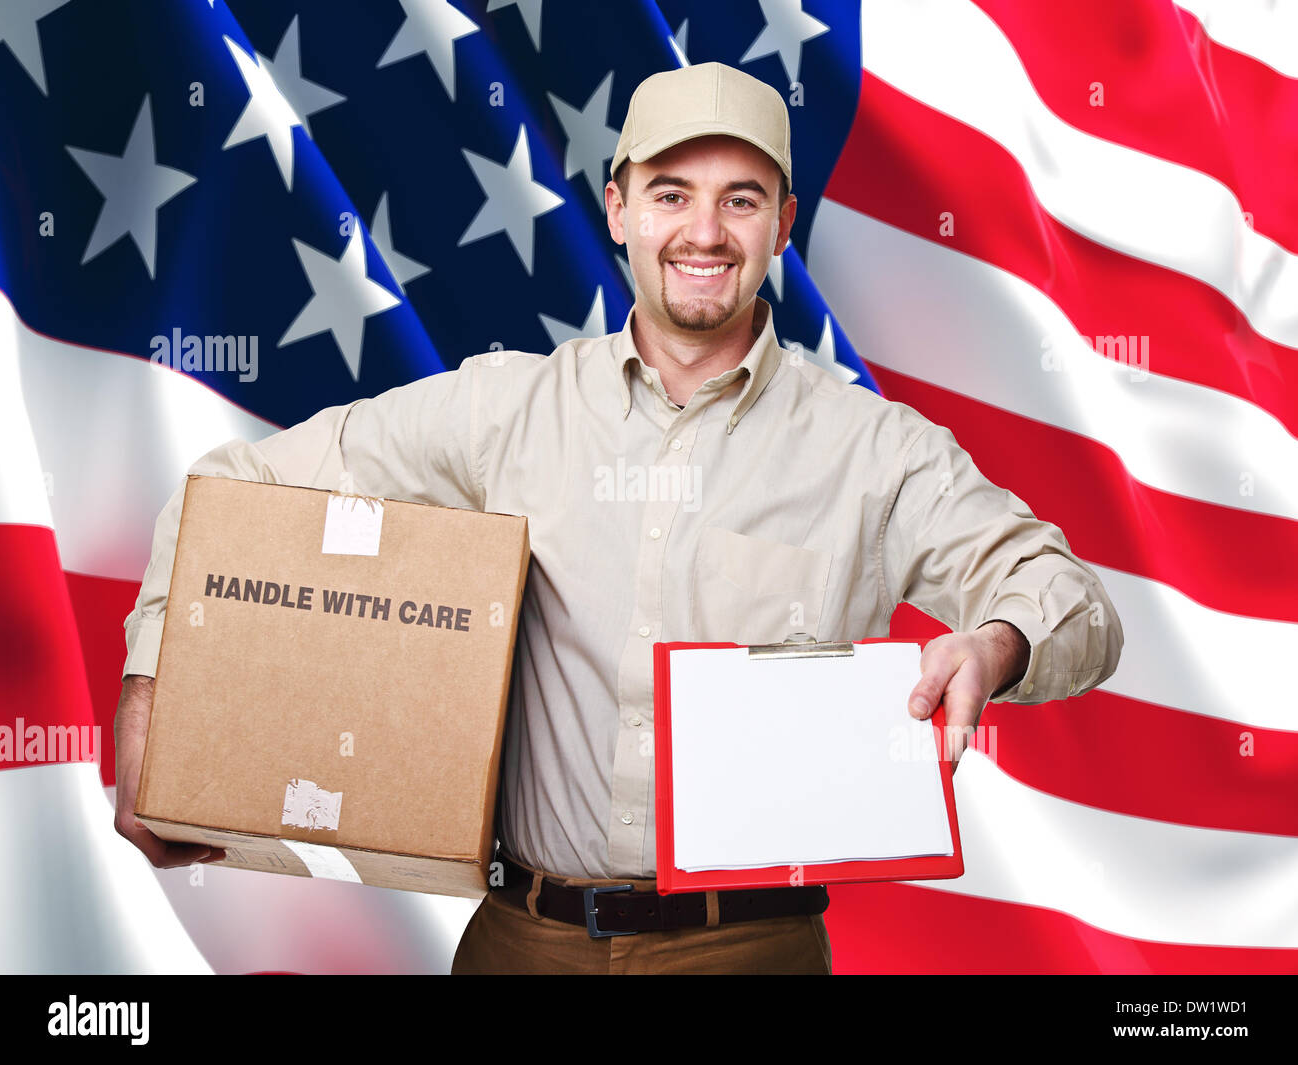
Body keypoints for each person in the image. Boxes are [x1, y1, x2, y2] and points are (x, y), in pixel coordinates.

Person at [114, 61, 1123, 975]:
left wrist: (994, 645)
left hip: (752, 948)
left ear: (782, 222)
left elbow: (1071, 601)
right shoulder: (499, 411)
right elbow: (242, 485)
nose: (704, 232)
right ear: (617, 209)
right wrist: (156, 692)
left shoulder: (876, 449)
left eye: (741, 200)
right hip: (523, 940)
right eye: (671, 195)